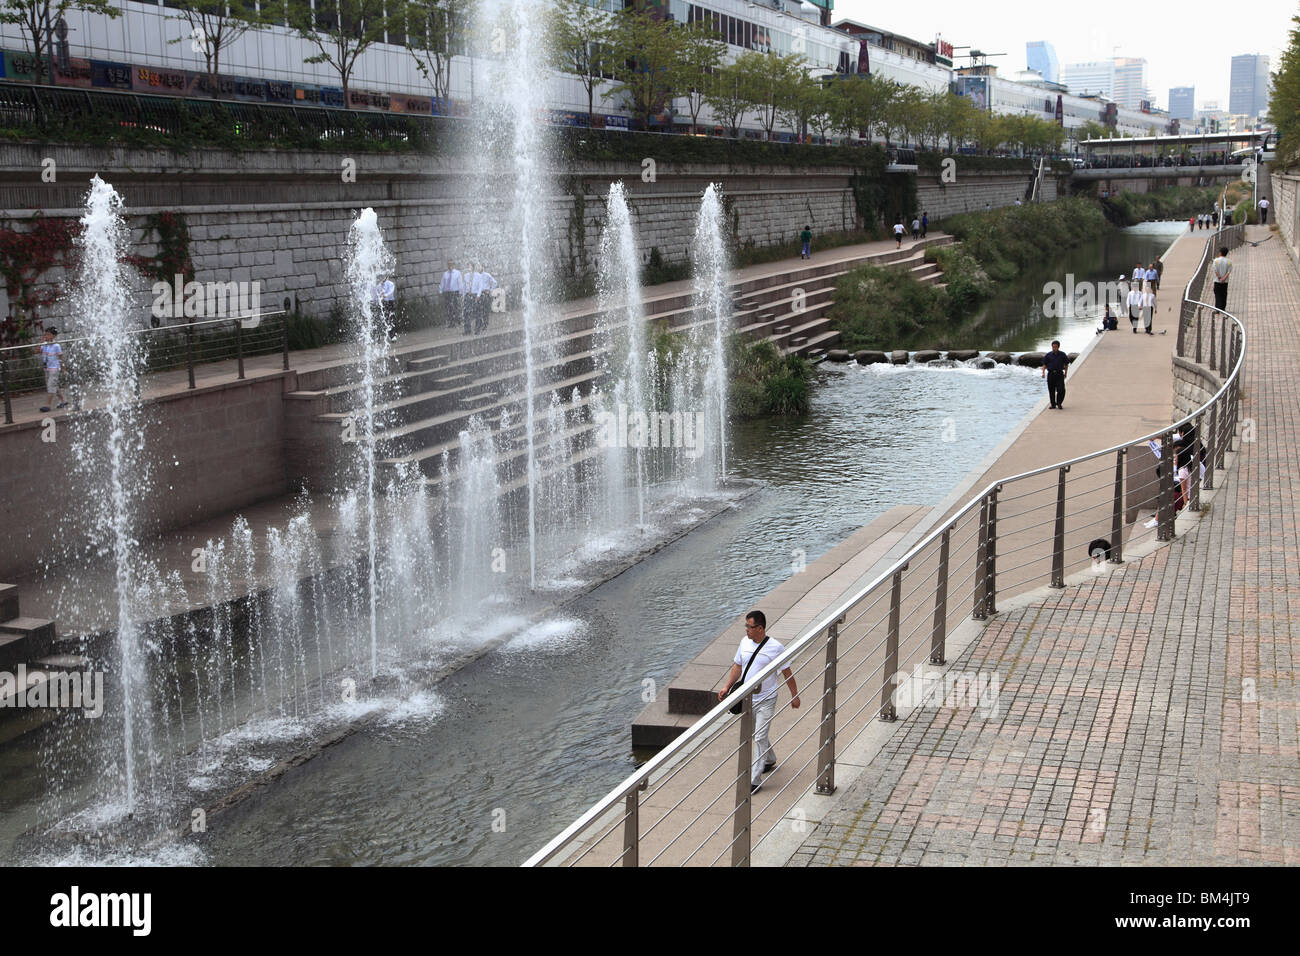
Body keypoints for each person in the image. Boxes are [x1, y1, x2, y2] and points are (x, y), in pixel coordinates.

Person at [717, 610, 800, 794]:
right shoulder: (744, 642)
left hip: (766, 699)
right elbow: (738, 666)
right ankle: (769, 759)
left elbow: (787, 672)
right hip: (747, 699)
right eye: (746, 626)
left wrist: (795, 695)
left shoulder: (776, 648)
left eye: (750, 626)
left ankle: (754, 780)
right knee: (758, 734)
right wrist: (726, 686)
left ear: (760, 628)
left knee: (760, 736)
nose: (746, 629)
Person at [36, 327, 67, 413]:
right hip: (47, 368)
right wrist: (41, 342)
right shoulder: (44, 345)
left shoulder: (56, 346)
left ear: (54, 336)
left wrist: (64, 369)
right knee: (54, 385)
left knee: (51, 385)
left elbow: (61, 358)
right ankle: (64, 401)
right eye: (45, 334)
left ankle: (48, 405)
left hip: (54, 368)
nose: (46, 336)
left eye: (48, 334)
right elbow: (37, 351)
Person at [470, 264, 499, 335]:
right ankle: (480, 324)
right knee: (479, 310)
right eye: (478, 267)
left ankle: (485, 324)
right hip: (478, 294)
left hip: (485, 294)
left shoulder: (487, 275)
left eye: (480, 266)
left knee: (485, 310)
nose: (479, 268)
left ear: (483, 267)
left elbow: (495, 282)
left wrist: (490, 290)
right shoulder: (476, 276)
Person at [1041, 340, 1069, 409]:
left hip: (1059, 374)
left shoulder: (1062, 355)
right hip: (1051, 374)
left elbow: (1066, 364)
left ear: (1058, 347)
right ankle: (1053, 404)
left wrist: (1065, 373)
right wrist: (1043, 373)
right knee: (1051, 390)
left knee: (1061, 389)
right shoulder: (1048, 355)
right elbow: (1044, 364)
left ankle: (1059, 403)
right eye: (1053, 347)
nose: (1054, 348)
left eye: (1055, 347)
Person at [439, 261, 464, 329]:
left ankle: (459, 320)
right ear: (447, 265)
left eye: (451, 264)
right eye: (449, 264)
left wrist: (461, 292)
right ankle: (451, 322)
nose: (450, 265)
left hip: (455, 292)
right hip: (448, 293)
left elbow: (460, 283)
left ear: (453, 265)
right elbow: (442, 283)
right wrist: (440, 291)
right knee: (449, 308)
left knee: (456, 307)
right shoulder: (445, 274)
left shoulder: (457, 273)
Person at [1211, 246, 1231, 311]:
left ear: (1220, 253)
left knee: (1217, 294)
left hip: (1217, 281)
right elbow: (1228, 272)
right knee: (1224, 294)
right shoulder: (1229, 261)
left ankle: (1217, 308)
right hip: (1225, 282)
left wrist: (1219, 278)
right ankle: (1223, 308)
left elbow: (1215, 270)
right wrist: (1224, 278)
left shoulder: (1216, 261)